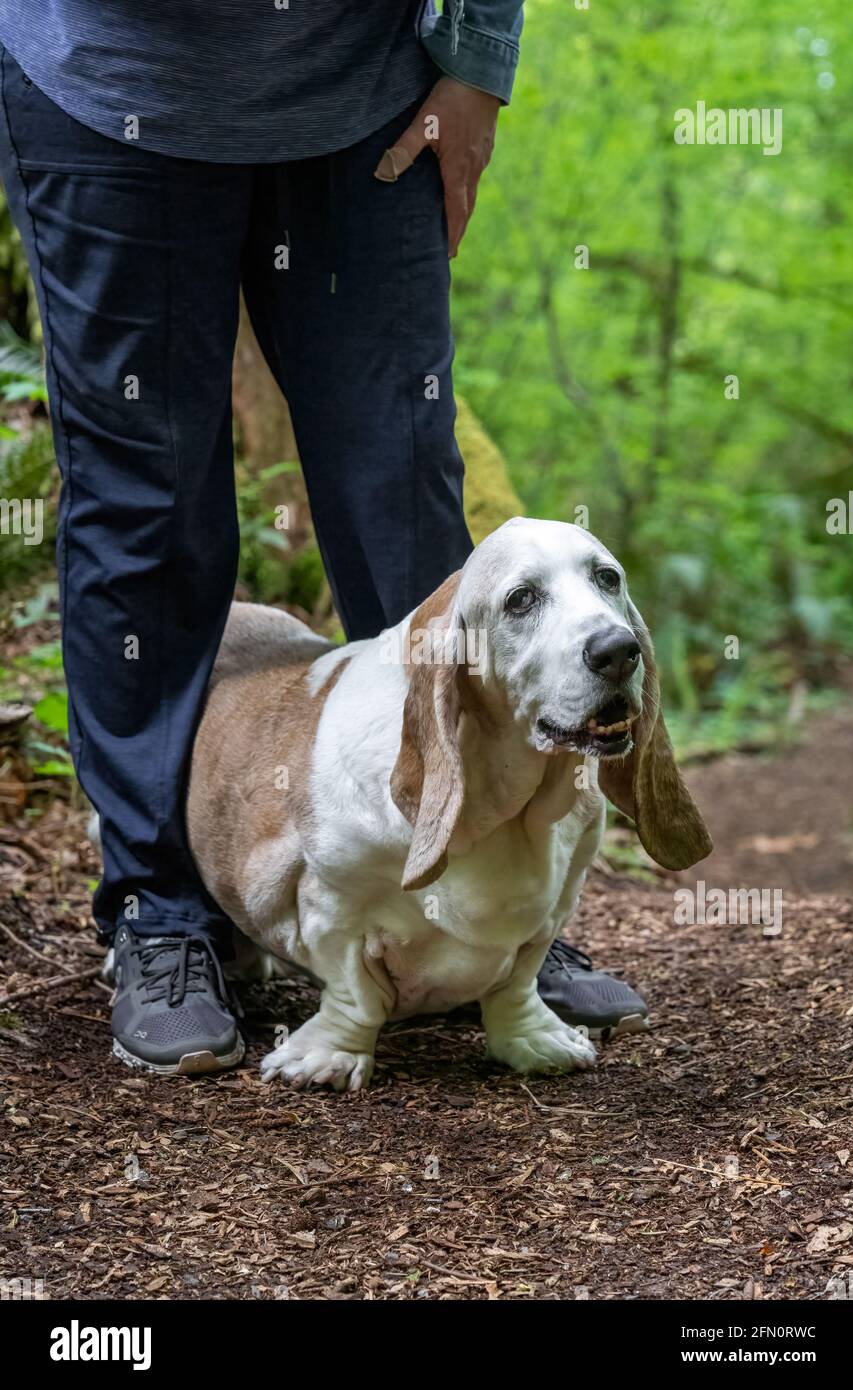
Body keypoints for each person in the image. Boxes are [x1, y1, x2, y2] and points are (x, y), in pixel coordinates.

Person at [0, 2, 648, 1075]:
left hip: (364, 104)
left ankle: (488, 925)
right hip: (107, 93)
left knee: (400, 494)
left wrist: (476, 65)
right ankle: (162, 919)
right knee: (143, 509)